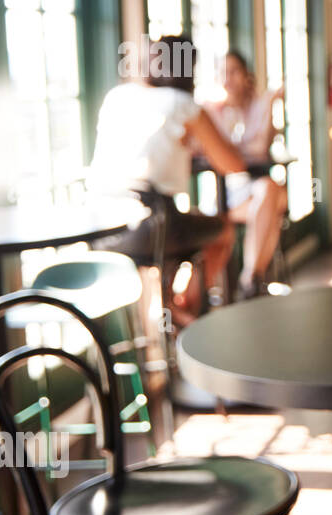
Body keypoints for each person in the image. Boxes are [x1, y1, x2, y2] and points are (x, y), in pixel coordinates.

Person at [89, 34, 245, 326]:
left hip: (101, 229)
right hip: (152, 229)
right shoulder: (183, 104)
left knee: (174, 236)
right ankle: (182, 311)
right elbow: (233, 164)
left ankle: (167, 317)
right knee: (222, 231)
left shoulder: (118, 96)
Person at [205, 51, 288, 298]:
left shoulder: (256, 105)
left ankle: (250, 277)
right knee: (273, 199)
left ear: (245, 75)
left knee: (270, 193)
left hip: (255, 191)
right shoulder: (210, 111)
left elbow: (261, 147)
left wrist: (270, 103)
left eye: (234, 71)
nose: (228, 78)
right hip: (224, 195)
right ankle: (253, 281)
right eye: (223, 72)